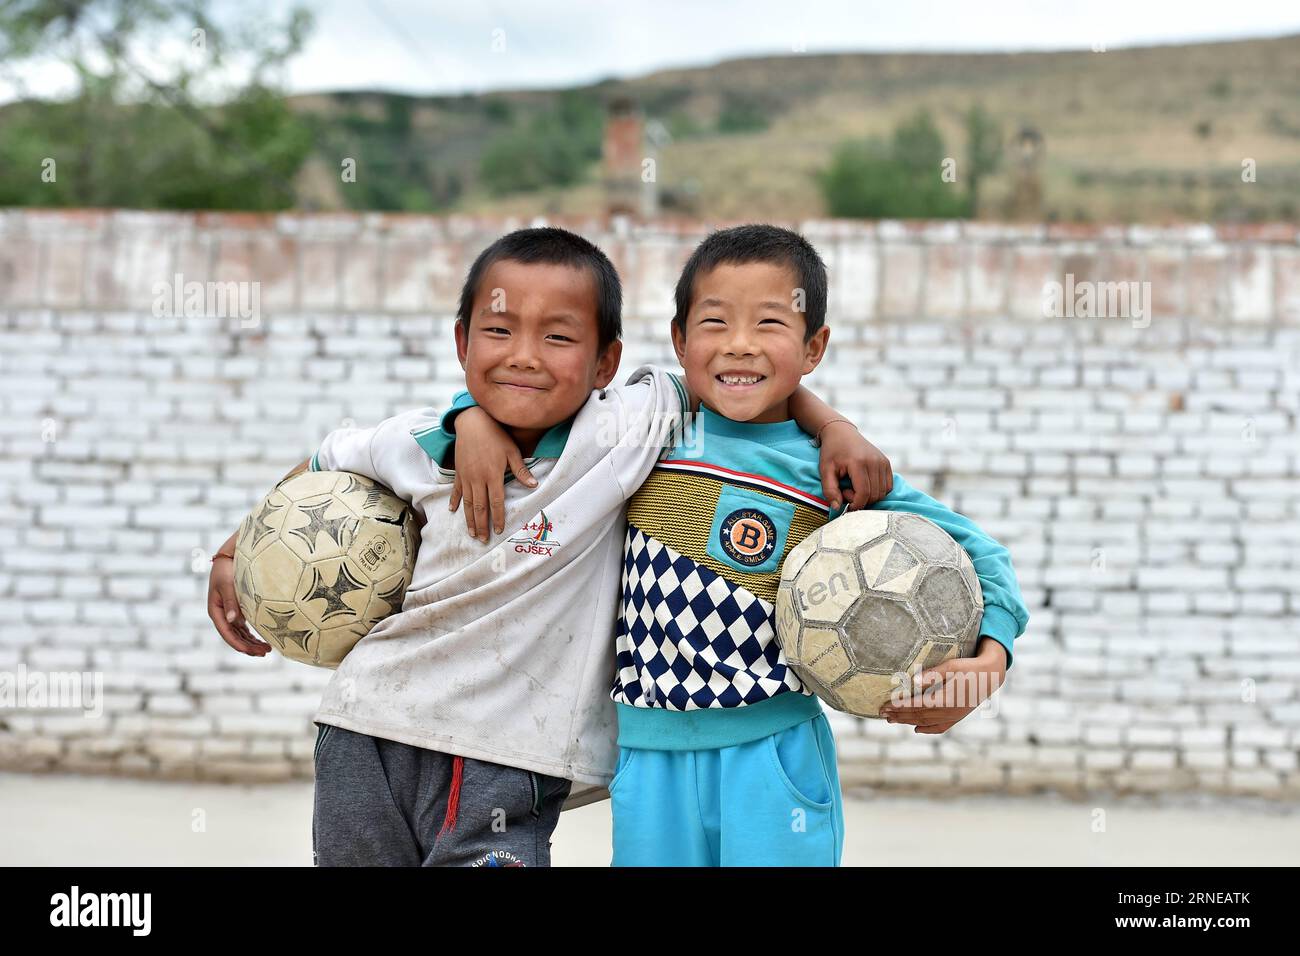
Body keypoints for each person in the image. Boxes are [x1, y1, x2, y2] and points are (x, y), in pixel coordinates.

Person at [206, 225, 892, 866]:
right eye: (498, 331)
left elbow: (742, 380)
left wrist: (836, 427)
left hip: (504, 753)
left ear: (606, 362)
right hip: (364, 725)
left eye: (558, 337)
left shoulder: (625, 430)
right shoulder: (415, 443)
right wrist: (236, 552)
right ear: (461, 344)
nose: (524, 356)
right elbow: (328, 458)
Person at [451, 224, 1031, 866]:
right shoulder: (646, 436)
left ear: (814, 348)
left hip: (772, 753)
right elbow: (531, 394)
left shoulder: (832, 472)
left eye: (769, 325)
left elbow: (981, 554)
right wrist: (468, 418)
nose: (740, 347)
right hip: (646, 762)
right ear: (678, 340)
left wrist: (990, 663)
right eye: (715, 323)